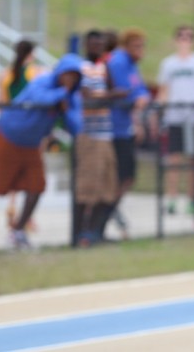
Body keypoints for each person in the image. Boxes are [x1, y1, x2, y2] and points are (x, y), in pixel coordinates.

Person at [0, 54, 83, 250]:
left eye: (75, 77)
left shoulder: (70, 95)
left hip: (31, 144)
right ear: (60, 72)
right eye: (68, 74)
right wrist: (62, 95)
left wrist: (67, 108)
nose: (70, 80)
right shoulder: (43, 82)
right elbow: (41, 98)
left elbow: (76, 125)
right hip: (8, 135)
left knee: (37, 185)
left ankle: (18, 231)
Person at [75, 30, 123, 246]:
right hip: (89, 135)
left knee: (107, 186)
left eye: (101, 44)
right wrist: (111, 96)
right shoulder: (80, 67)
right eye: (93, 44)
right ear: (86, 44)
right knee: (87, 188)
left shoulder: (103, 68)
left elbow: (112, 91)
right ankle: (79, 234)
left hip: (106, 134)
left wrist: (108, 94)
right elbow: (87, 100)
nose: (97, 48)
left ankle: (95, 233)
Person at [156, 25, 194, 216]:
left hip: (193, 118)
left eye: (189, 36)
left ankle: (191, 199)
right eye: (182, 36)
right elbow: (163, 90)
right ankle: (171, 198)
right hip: (174, 117)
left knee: (193, 160)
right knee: (173, 159)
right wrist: (162, 111)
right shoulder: (168, 64)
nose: (185, 40)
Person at [106, 28, 152, 239]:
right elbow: (127, 95)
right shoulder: (118, 62)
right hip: (114, 128)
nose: (141, 51)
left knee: (128, 176)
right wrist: (137, 100)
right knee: (119, 176)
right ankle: (107, 213)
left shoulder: (131, 65)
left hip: (126, 128)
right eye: (136, 46)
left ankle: (111, 210)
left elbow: (141, 91)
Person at [0, 39, 44, 234]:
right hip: (30, 127)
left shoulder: (5, 74)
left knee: (14, 171)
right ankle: (26, 216)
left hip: (10, 126)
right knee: (30, 173)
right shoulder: (36, 73)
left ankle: (12, 207)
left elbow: (2, 103)